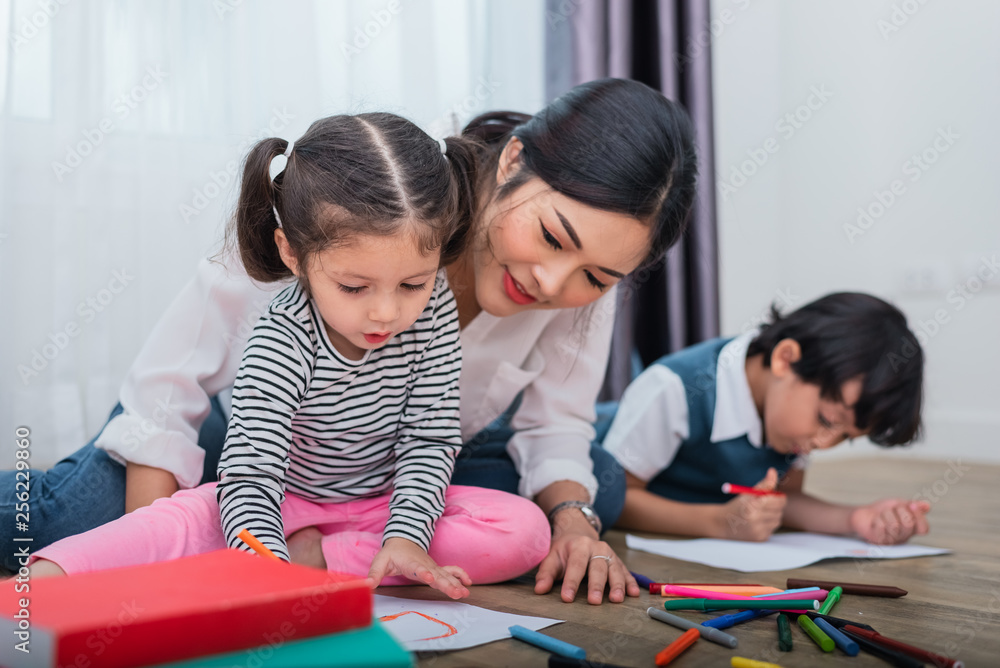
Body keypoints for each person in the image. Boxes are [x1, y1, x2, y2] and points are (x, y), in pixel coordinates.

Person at [5, 78, 698, 604]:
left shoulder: (579, 285)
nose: (552, 282)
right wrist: (165, 554)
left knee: (592, 488)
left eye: (598, 275)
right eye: (552, 237)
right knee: (67, 521)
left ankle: (320, 556)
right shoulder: (370, 196)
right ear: (513, 160)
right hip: (245, 431)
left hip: (385, 468)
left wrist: (573, 520)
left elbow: (548, 425)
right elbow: (168, 390)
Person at [27, 113, 550, 597]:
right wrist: (265, 561)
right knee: (160, 524)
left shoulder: (433, 308)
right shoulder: (283, 335)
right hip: (277, 500)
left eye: (412, 282)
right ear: (292, 253)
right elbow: (251, 474)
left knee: (523, 531)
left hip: (376, 508)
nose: (386, 314)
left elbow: (429, 437)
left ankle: (325, 558)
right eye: (354, 287)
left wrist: (408, 535)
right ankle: (49, 581)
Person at [605, 292, 931, 545]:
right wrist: (718, 522)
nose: (823, 443)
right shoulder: (675, 388)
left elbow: (784, 501)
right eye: (827, 420)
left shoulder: (790, 420)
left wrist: (856, 518)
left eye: (845, 437)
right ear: (785, 360)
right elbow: (613, 498)